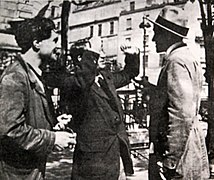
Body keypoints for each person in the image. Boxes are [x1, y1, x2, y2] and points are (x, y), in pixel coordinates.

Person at [0, 16, 76, 180]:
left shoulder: (33, 74)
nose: (57, 46)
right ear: (37, 43)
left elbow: (27, 119)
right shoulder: (14, 78)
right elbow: (10, 131)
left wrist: (53, 124)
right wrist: (53, 138)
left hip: (30, 170)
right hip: (16, 173)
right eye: (54, 40)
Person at [144, 5, 210, 180]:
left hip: (181, 155)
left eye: (156, 33)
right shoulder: (187, 56)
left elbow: (181, 113)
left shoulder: (176, 61)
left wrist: (170, 160)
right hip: (189, 146)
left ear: (167, 34)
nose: (153, 39)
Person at [62, 40, 140, 180]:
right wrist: (92, 55)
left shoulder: (104, 77)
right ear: (82, 58)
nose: (103, 55)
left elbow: (128, 74)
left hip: (115, 155)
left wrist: (132, 54)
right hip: (93, 161)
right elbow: (84, 80)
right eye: (97, 52)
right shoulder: (72, 82)